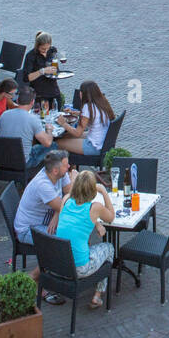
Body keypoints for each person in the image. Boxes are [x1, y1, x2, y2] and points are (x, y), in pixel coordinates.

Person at [14, 150, 76, 304]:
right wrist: (59, 208)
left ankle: (60, 271)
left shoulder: (59, 173)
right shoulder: (43, 184)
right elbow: (68, 206)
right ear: (55, 170)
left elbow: (69, 196)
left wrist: (57, 212)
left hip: (44, 223)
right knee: (61, 244)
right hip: (28, 229)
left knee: (72, 233)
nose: (69, 166)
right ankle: (35, 279)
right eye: (65, 165)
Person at [53, 170, 116, 310]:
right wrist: (104, 191)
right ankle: (97, 295)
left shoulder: (66, 200)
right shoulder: (95, 208)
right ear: (93, 190)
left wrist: (97, 224)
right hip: (79, 269)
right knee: (109, 248)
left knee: (84, 241)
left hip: (60, 265)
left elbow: (75, 223)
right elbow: (111, 217)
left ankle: (96, 290)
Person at [0, 86, 63, 171]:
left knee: (35, 147)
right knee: (54, 145)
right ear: (32, 102)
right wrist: (49, 129)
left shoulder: (4, 114)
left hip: (2, 160)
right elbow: (48, 143)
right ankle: (39, 176)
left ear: (17, 101)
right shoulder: (33, 119)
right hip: (23, 163)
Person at [58, 81, 114, 158]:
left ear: (82, 94)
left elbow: (77, 133)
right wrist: (74, 112)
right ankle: (72, 167)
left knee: (58, 142)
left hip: (93, 146)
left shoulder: (87, 107)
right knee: (64, 136)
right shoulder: (102, 102)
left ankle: (65, 165)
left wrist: (63, 124)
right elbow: (91, 115)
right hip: (101, 142)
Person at [22, 31, 65, 110]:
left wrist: (56, 70)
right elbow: (26, 78)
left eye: (47, 48)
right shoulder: (31, 56)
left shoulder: (52, 50)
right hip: (40, 93)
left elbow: (56, 68)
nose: (45, 51)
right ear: (37, 46)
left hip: (53, 90)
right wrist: (42, 71)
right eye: (43, 48)